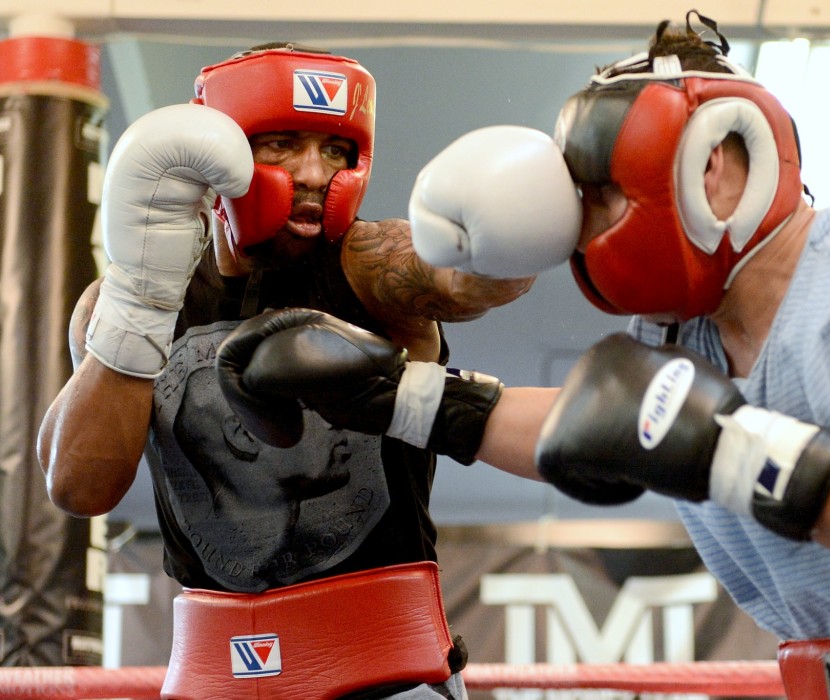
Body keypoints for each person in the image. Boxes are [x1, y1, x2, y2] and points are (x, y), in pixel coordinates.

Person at [213, 13, 830, 699]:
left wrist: (725, 448)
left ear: (716, 164)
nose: (587, 228)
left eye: (605, 195)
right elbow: (597, 426)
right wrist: (399, 395)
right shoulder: (681, 330)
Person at [34, 42, 577, 700]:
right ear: (217, 152)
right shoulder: (120, 303)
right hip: (212, 682)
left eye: (336, 150)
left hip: (385, 675)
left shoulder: (367, 264)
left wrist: (515, 217)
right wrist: (140, 300)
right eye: (283, 144)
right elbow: (78, 487)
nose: (316, 173)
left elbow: (472, 279)